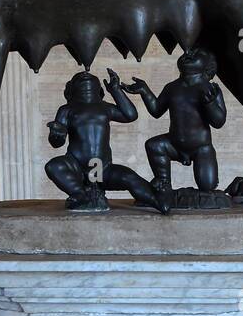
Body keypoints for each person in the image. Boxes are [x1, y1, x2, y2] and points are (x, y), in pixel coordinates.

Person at [46, 70, 168, 212]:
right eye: (80, 77)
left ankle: (157, 200)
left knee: (129, 177)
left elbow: (130, 115)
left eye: (91, 77)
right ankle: (79, 193)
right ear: (72, 89)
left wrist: (116, 90)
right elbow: (56, 143)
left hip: (102, 167)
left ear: (99, 90)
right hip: (76, 165)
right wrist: (57, 134)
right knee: (54, 166)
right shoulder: (66, 110)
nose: (86, 74)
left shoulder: (104, 107)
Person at [123, 48, 227, 194]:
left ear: (208, 66)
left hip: (201, 148)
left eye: (197, 54)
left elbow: (219, 122)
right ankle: (164, 181)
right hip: (174, 144)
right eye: (186, 53)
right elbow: (157, 111)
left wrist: (210, 104)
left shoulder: (209, 89)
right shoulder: (172, 87)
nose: (188, 54)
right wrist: (144, 91)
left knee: (207, 187)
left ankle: (206, 182)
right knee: (154, 145)